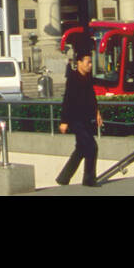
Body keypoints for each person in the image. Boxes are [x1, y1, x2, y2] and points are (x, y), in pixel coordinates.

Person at [55, 52, 102, 187]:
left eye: (91, 62)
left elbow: (92, 98)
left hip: (86, 119)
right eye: (88, 62)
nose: (90, 65)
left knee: (81, 149)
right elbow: (67, 100)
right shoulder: (73, 78)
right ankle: (89, 179)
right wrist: (64, 121)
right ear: (79, 63)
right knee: (92, 147)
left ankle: (63, 178)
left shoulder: (87, 78)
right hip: (75, 120)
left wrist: (97, 112)